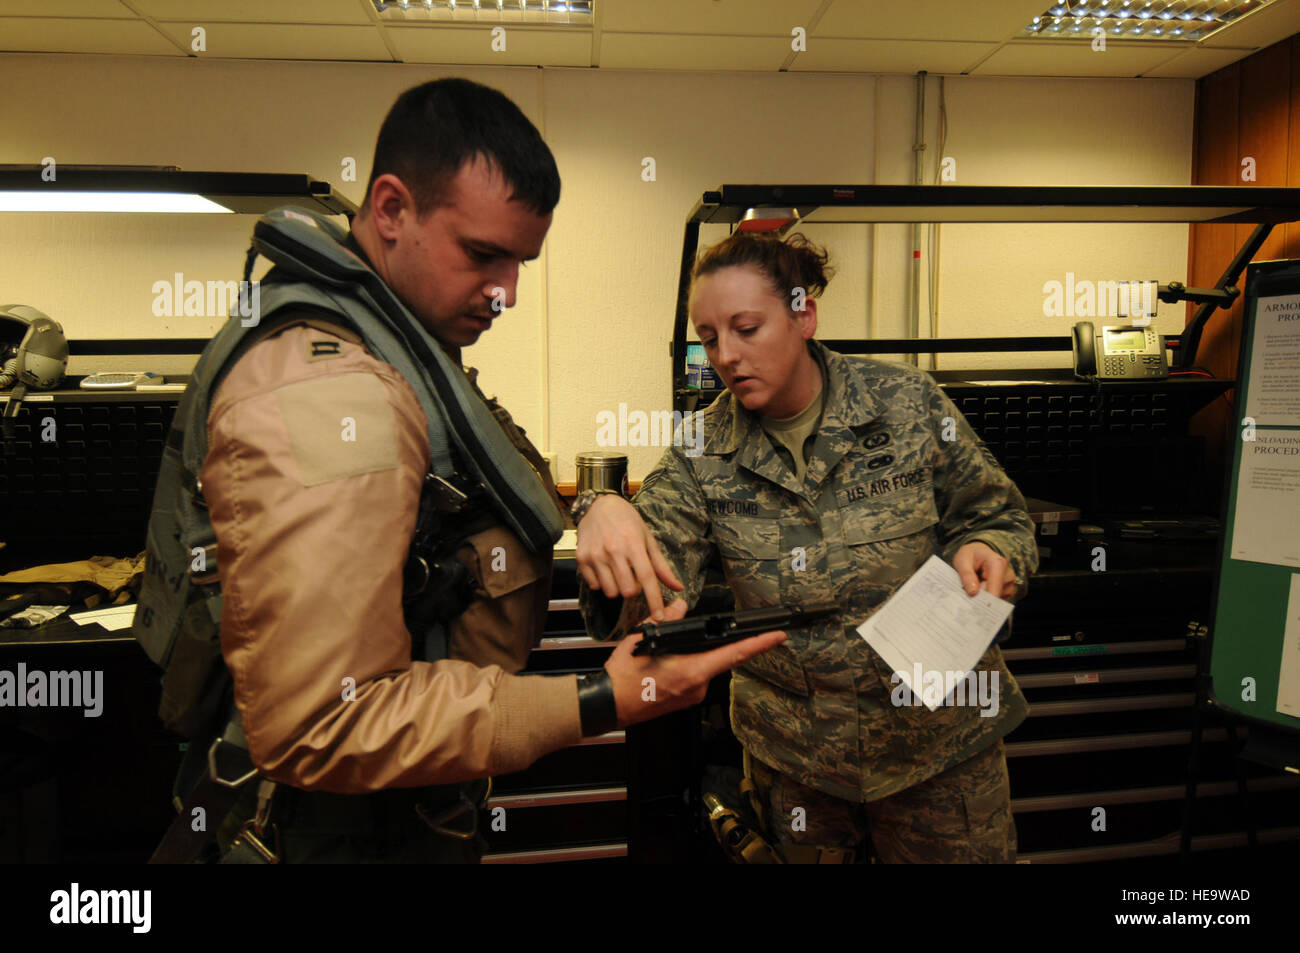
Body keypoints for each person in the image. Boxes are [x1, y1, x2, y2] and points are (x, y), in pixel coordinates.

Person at [144, 78, 783, 864]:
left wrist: (601, 503)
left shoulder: (394, 338)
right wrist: (603, 698)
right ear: (390, 209)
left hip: (393, 811)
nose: (506, 292)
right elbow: (324, 722)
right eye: (483, 254)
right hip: (326, 833)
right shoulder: (330, 391)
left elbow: (488, 466)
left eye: (521, 261)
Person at [576, 231, 1038, 863]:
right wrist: (600, 510)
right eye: (709, 338)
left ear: (803, 315)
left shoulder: (908, 404)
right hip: (798, 770)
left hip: (939, 755)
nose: (727, 356)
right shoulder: (701, 448)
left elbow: (1000, 514)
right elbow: (647, 577)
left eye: (746, 328)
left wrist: (991, 548)